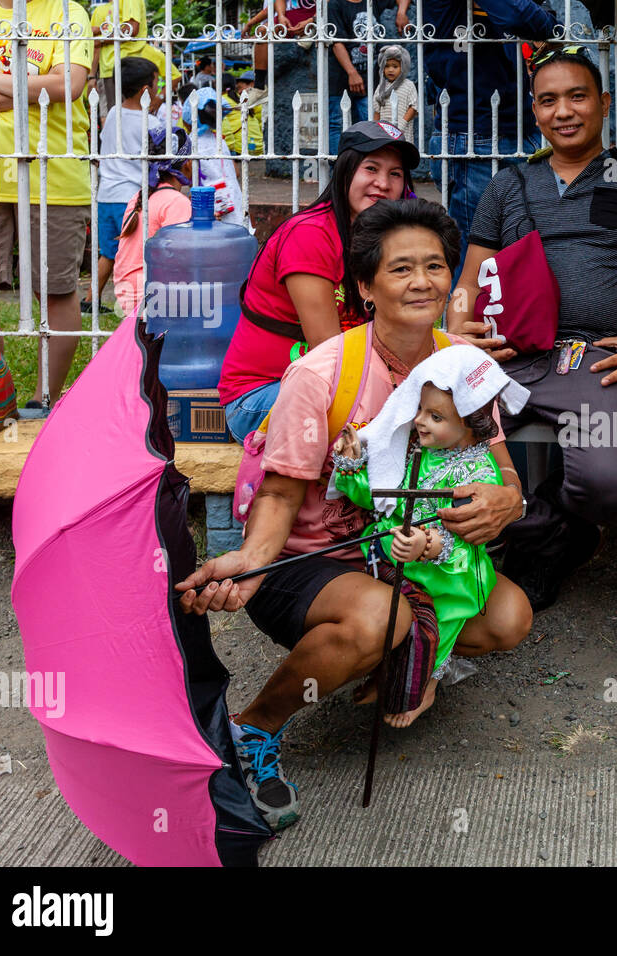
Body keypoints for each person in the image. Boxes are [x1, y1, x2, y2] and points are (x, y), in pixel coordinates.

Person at [176, 198, 532, 831]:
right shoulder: (322, 373)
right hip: (307, 561)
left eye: (434, 265)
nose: (422, 281)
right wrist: (252, 561)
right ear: (365, 287)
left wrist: (510, 498)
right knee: (377, 614)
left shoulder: (462, 366)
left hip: (413, 554)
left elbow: (500, 465)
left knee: (508, 618)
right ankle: (250, 730)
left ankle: (403, 660)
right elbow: (282, 494)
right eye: (400, 269)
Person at [449, 47, 617, 610]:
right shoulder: (509, 185)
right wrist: (459, 330)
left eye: (577, 96)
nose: (564, 111)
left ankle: (558, 525)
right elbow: (467, 280)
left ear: (604, 104)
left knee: (609, 483)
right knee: (429, 448)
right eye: (548, 100)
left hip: (598, 359)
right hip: (506, 357)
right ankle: (546, 530)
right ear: (534, 111)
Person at [330, 344, 529, 726]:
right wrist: (354, 461)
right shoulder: (408, 450)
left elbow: (467, 536)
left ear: (470, 424)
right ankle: (388, 668)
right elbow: (377, 495)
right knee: (386, 618)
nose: (420, 421)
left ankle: (426, 683)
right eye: (420, 410)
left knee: (440, 620)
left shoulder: (479, 474)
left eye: (435, 416)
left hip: (445, 573)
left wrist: (428, 544)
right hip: (390, 556)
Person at [218, 120, 419, 441]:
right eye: (371, 169)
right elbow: (328, 353)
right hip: (261, 395)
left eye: (395, 174)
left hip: (336, 383)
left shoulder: (386, 240)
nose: (383, 183)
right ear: (345, 173)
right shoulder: (310, 236)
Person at [0, 0, 92, 407]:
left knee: (55, 289)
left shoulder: (68, 13)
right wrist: (28, 89)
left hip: (53, 171)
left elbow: (68, 87)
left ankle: (43, 397)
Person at [413, 0, 560, 271]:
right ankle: (461, 315)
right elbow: (520, 17)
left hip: (517, 127)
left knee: (521, 255)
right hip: (472, 132)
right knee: (476, 263)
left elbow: (549, 25)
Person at [90, 56, 163, 313]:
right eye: (157, 83)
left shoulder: (112, 114)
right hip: (130, 198)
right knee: (134, 256)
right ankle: (133, 304)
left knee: (110, 252)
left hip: (106, 195)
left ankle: (90, 299)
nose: (159, 88)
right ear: (146, 90)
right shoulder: (152, 123)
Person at [112, 127, 194, 317]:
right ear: (187, 164)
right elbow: (181, 260)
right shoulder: (176, 202)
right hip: (151, 298)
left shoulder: (139, 196)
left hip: (126, 292)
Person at [182, 86, 247, 228]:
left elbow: (186, 175)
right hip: (233, 200)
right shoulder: (219, 140)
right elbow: (235, 172)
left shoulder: (189, 143)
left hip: (208, 206)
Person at [325, 0, 376, 156]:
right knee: (336, 124)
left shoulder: (372, 3)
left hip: (368, 76)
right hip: (340, 76)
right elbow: (336, 42)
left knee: (369, 123)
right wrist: (352, 73)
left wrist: (401, 12)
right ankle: (338, 169)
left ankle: (366, 167)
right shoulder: (335, 5)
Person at [89, 0, 147, 116]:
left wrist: (101, 39)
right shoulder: (101, 9)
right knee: (116, 118)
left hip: (124, 65)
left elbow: (132, 29)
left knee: (124, 118)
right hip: (110, 68)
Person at [372, 45, 418, 143]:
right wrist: (375, 131)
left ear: (403, 68)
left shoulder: (408, 85)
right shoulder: (381, 87)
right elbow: (377, 111)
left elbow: (413, 108)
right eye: (387, 66)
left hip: (403, 130)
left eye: (395, 66)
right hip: (384, 132)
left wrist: (401, 125)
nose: (390, 70)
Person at [221, 71, 264, 155]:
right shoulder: (243, 99)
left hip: (242, 150)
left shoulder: (222, 100)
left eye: (240, 87)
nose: (240, 91)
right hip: (259, 148)